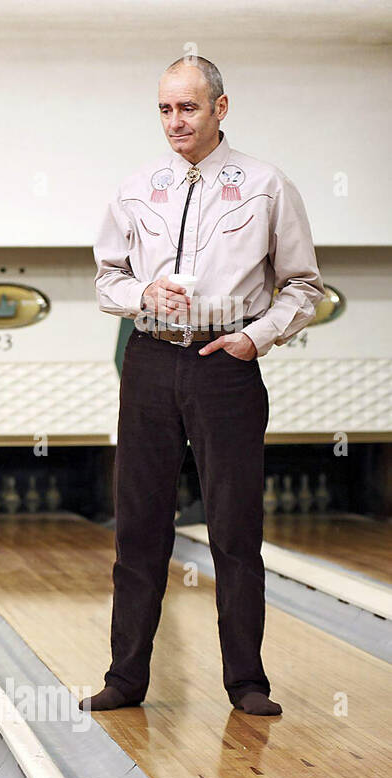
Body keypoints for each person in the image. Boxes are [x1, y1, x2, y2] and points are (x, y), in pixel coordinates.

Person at [84, 55, 323, 716]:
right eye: (164, 108)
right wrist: (142, 291)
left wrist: (256, 337)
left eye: (187, 108)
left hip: (227, 364)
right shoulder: (137, 186)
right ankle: (125, 679)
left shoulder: (267, 185)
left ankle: (247, 682)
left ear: (221, 108)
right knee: (137, 527)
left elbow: (304, 288)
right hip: (151, 361)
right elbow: (107, 280)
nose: (174, 121)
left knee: (235, 530)